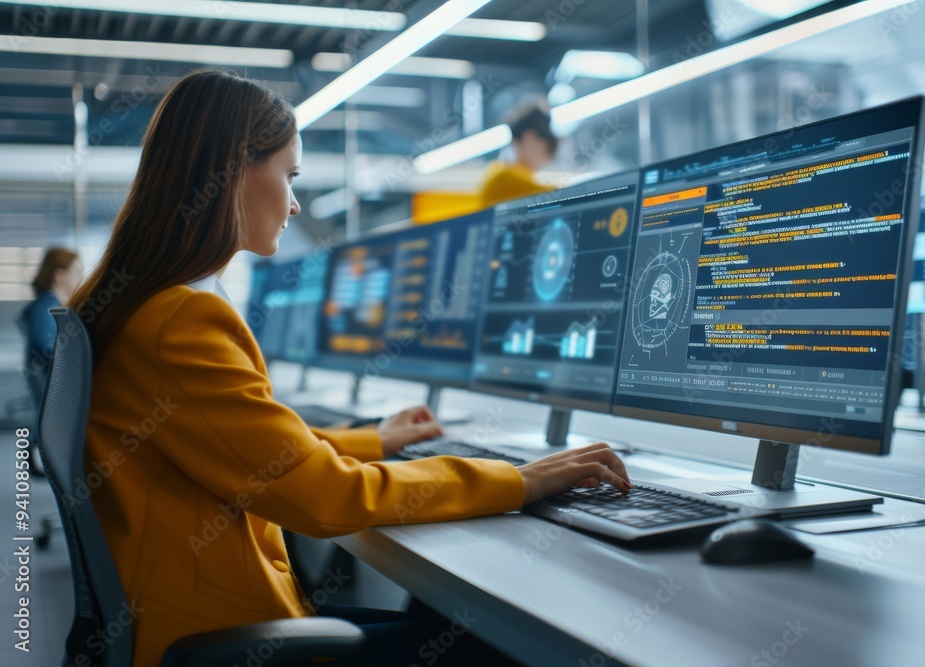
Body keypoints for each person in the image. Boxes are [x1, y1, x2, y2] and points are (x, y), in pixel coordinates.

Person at [67, 69, 630, 666]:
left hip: (189, 620)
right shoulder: (183, 319)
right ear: (234, 171)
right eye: (289, 175)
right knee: (509, 648)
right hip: (220, 640)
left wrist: (375, 440)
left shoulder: (143, 305)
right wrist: (519, 480)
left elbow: (248, 447)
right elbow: (327, 498)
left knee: (447, 621)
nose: (295, 200)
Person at [20, 247, 84, 476]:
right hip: (47, 385)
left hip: (48, 385)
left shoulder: (54, 304)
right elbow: (49, 347)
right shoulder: (46, 305)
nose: (81, 278)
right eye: (77, 272)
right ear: (59, 275)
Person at [476, 102, 559, 209]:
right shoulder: (505, 177)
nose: (546, 161)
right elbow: (555, 196)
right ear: (530, 138)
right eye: (546, 149)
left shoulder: (496, 171)